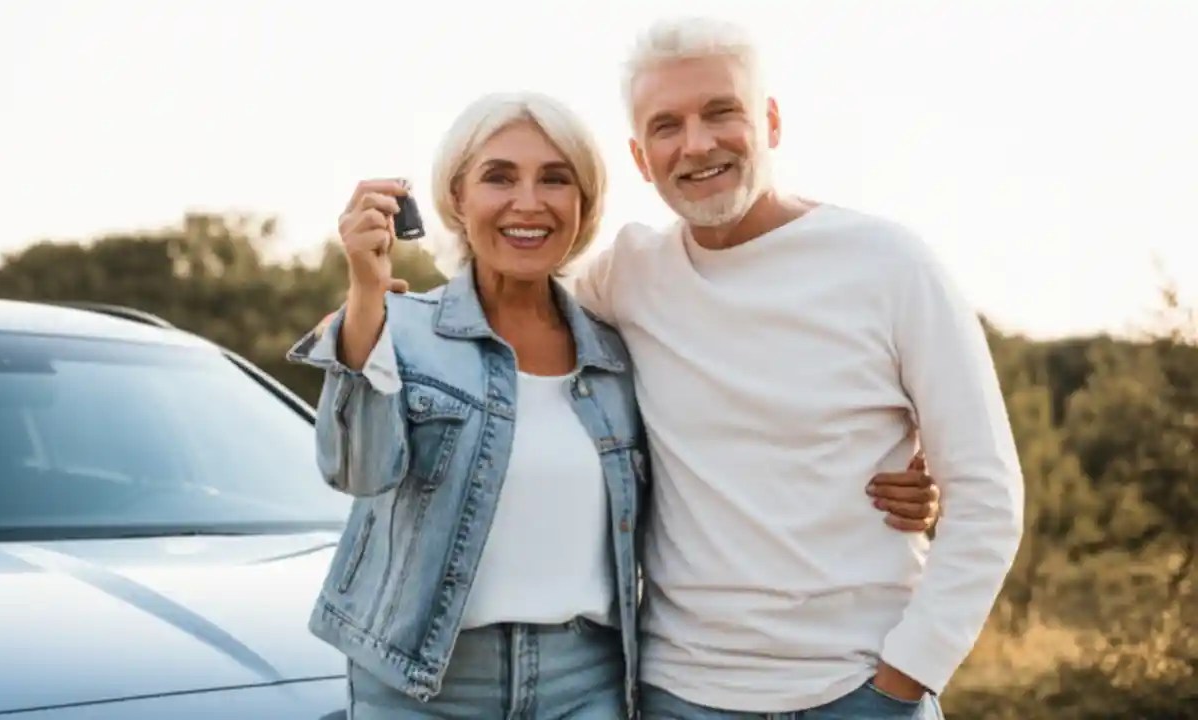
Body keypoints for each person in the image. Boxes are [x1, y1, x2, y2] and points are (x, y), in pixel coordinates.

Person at [289, 89, 942, 717]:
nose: (528, 202)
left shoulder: (617, 345)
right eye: (499, 177)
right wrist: (367, 299)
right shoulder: (396, 330)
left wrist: (881, 474)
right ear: (457, 197)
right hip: (422, 682)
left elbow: (728, 453)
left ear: (584, 202)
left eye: (554, 179)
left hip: (588, 680)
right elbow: (355, 471)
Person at [566, 17, 1025, 719]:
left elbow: (988, 496)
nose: (697, 144)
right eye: (667, 126)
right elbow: (504, 313)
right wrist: (369, 322)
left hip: (861, 690)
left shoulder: (890, 265)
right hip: (681, 694)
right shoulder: (627, 276)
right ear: (640, 156)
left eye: (722, 112)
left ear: (770, 122)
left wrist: (907, 678)